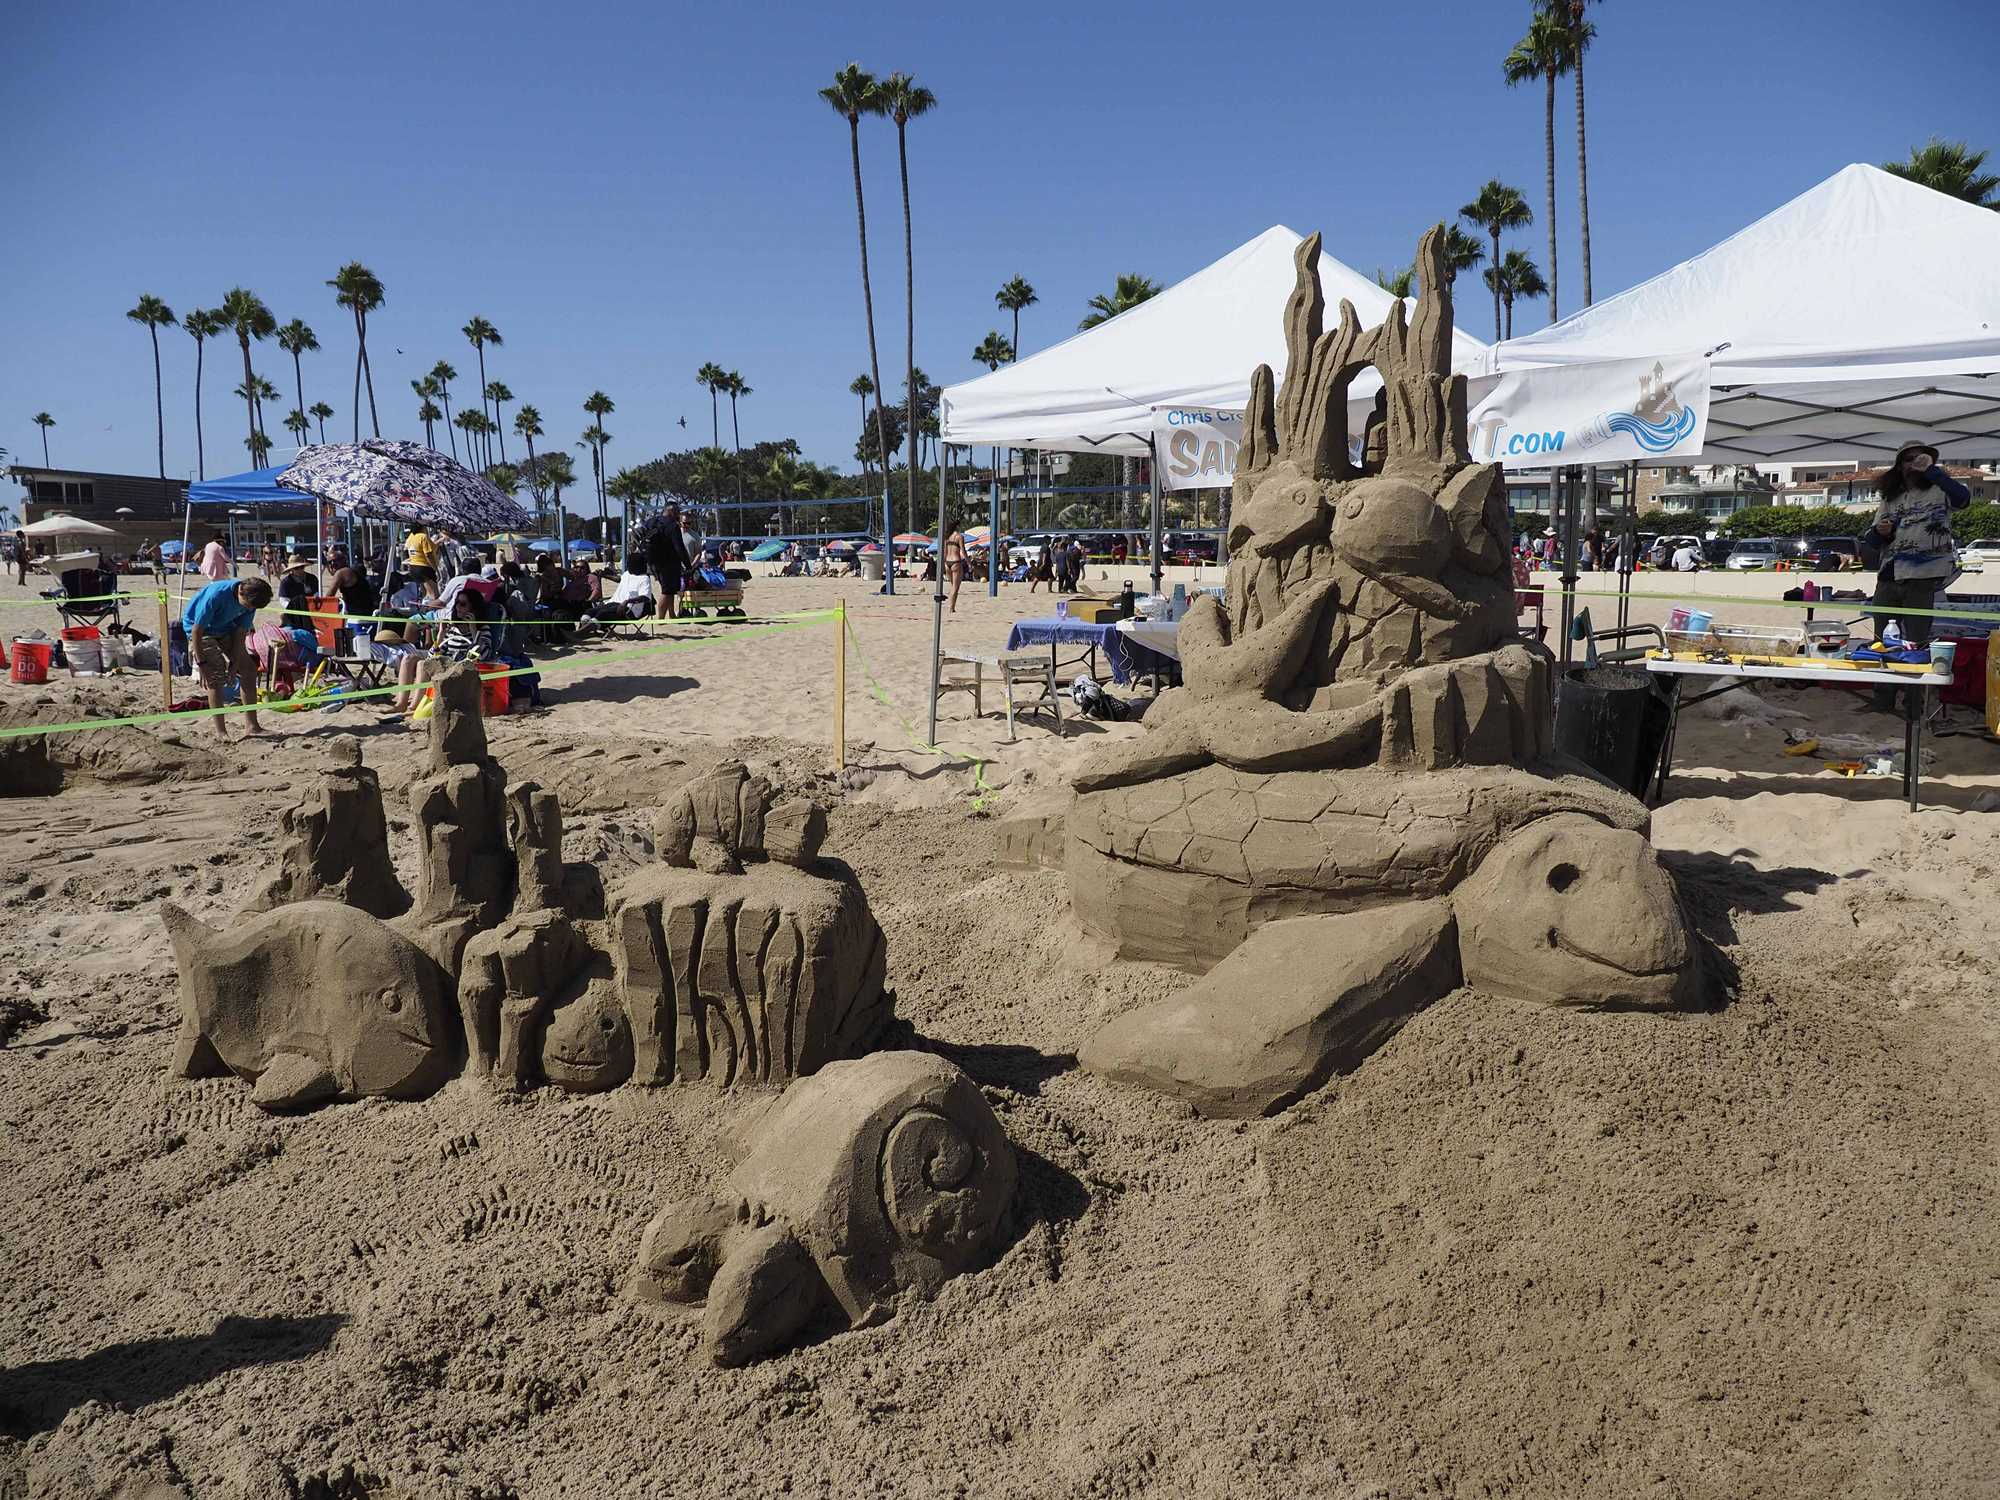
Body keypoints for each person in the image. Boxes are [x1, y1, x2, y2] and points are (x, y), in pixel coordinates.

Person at [1866, 442, 1971, 709]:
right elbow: (1870, 538)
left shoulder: (1941, 488)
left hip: (1923, 575)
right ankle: (1883, 700)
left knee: (1917, 641)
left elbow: (1964, 499)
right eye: (1908, 459)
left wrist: (1934, 472)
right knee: (1882, 641)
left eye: (1920, 458)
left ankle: (1913, 703)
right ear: (1900, 465)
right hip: (1889, 574)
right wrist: (1880, 532)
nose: (1914, 463)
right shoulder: (1891, 496)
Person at [182, 575, 273, 738]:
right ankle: (221, 732)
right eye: (248, 606)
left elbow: (240, 634)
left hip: (225, 629)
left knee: (249, 670)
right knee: (215, 676)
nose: (249, 609)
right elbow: (197, 631)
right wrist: (202, 664)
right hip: (201, 631)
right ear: (241, 593)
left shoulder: (252, 603)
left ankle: (253, 726)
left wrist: (235, 662)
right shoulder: (216, 595)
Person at [645, 504, 693, 620]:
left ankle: (671, 614)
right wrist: (688, 565)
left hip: (653, 562)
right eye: (677, 512)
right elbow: (679, 547)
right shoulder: (672, 525)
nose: (678, 514)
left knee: (670, 590)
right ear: (671, 511)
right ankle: (660, 619)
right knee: (666, 592)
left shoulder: (651, 522)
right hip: (669, 563)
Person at [941, 524, 968, 613]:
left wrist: (943, 564)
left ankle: (952, 607)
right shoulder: (959, 537)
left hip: (947, 562)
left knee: (952, 586)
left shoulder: (947, 537)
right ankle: (951, 608)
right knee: (955, 587)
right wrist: (969, 562)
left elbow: (944, 552)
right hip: (956, 562)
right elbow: (963, 551)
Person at [405, 525, 439, 590]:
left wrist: (438, 542)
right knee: (434, 594)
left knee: (424, 593)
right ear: (422, 527)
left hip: (413, 567)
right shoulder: (423, 537)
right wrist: (436, 569)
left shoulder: (410, 537)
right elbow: (428, 555)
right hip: (424, 567)